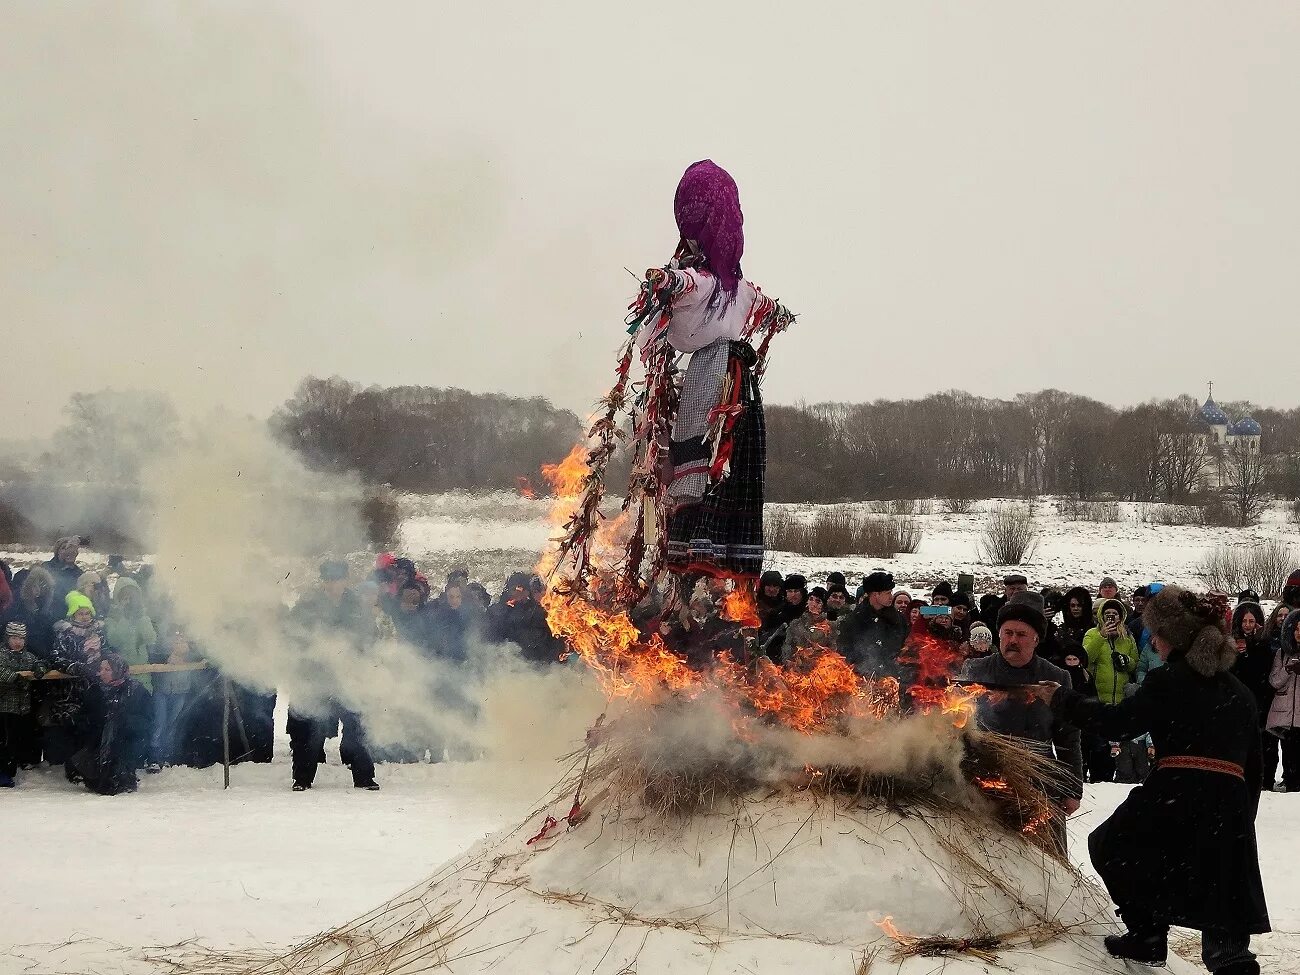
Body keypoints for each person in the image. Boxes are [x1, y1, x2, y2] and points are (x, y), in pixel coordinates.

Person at [1032, 586, 1269, 974]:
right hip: (1228, 805)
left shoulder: (1169, 679)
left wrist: (1063, 701)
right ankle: (1224, 959)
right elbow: (1254, 767)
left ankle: (1147, 934)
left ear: (1175, 637)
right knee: (1221, 892)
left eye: (1158, 632)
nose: (1152, 639)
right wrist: (1243, 818)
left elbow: (1119, 722)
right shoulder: (1240, 692)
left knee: (1111, 845)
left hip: (1177, 791)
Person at [639, 160, 794, 584]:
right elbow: (682, 285)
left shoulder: (736, 289)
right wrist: (667, 283)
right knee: (709, 453)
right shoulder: (706, 283)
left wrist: (779, 313)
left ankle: (718, 551)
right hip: (714, 378)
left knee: (731, 457)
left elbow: (763, 306)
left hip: (733, 380)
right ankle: (701, 548)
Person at [959, 591, 1083, 855]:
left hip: (1037, 780)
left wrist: (1072, 788)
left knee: (1046, 860)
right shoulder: (975, 670)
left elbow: (1068, 738)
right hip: (983, 776)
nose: (1012, 640)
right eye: (1008, 633)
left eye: (1021, 635)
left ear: (1036, 639)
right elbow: (957, 723)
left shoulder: (1056, 676)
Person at [286, 560, 379, 792]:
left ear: (346, 580)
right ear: (324, 581)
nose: (334, 584)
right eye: (329, 579)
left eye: (338, 579)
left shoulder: (357, 606)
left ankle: (364, 777)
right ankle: (302, 778)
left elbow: (370, 635)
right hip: (317, 675)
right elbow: (295, 634)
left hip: (349, 674)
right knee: (311, 729)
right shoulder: (308, 605)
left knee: (356, 727)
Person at [68, 652, 152, 796]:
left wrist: (122, 720)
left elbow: (147, 721)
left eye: (107, 670)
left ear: (118, 670)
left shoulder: (136, 691)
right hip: (98, 743)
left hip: (126, 742)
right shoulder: (95, 690)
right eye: (101, 669)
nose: (102, 673)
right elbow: (84, 717)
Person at [1081, 597, 1138, 782]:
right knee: (1099, 745)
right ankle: (1097, 778)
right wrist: (1101, 636)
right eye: (1108, 615)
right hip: (1098, 696)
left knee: (1118, 746)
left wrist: (1125, 661)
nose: (1111, 618)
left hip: (1120, 697)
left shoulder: (1127, 637)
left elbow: (1134, 663)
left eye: (1115, 615)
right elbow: (1085, 658)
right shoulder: (1092, 634)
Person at [1231, 601, 1278, 791]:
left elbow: (1265, 670)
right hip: (1239, 699)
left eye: (1251, 621)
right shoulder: (1232, 643)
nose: (1248, 625)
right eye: (1244, 621)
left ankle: (1266, 780)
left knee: (1265, 744)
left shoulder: (1264, 643)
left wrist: (1256, 644)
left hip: (1261, 700)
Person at [837, 572, 908, 681]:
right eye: (888, 593)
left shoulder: (899, 620)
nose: (891, 596)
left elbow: (905, 647)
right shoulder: (853, 620)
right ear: (876, 595)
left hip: (892, 679)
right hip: (860, 680)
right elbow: (845, 650)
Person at [0, 622, 46, 787]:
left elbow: (37, 663)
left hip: (22, 707)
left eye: (21, 638)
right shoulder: (2, 654)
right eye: (14, 638)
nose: (17, 642)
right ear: (7, 638)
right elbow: (1, 670)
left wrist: (40, 668)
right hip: (4, 706)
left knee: (16, 740)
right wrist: (15, 677)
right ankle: (3, 772)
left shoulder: (28, 656)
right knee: (4, 741)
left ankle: (13, 768)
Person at [147, 628, 199, 770]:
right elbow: (152, 656)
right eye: (176, 637)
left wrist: (186, 655)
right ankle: (154, 758)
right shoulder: (160, 648)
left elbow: (200, 657)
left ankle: (167, 757)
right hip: (161, 691)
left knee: (172, 725)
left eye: (181, 637)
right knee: (159, 723)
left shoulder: (191, 651)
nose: (178, 639)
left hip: (180, 691)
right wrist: (167, 657)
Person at [486, 571, 563, 664]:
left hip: (542, 664)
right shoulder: (497, 611)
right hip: (508, 663)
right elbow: (491, 638)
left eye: (522, 589)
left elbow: (555, 639)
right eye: (514, 589)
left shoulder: (542, 612)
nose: (518, 593)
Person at [1265, 609, 1300, 793]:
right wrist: (1288, 669)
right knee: (1287, 749)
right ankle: (1288, 779)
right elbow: (1274, 681)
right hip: (1284, 712)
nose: (1299, 633)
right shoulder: (1281, 653)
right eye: (1296, 629)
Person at [104, 577, 157, 692]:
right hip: (122, 676)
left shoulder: (143, 617)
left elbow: (150, 638)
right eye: (125, 597)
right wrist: (125, 617)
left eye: (131, 597)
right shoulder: (111, 618)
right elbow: (114, 641)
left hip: (142, 674)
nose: (128, 601)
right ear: (118, 599)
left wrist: (140, 616)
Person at [782, 587, 839, 661]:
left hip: (821, 666)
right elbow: (787, 646)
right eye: (811, 599)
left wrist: (816, 653)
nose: (813, 604)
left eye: (818, 601)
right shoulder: (796, 624)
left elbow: (833, 649)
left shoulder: (830, 625)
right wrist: (789, 661)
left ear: (823, 606)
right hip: (797, 666)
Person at [43, 536, 85, 607]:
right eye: (64, 548)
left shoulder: (79, 573)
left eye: (72, 548)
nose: (69, 551)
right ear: (57, 552)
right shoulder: (45, 568)